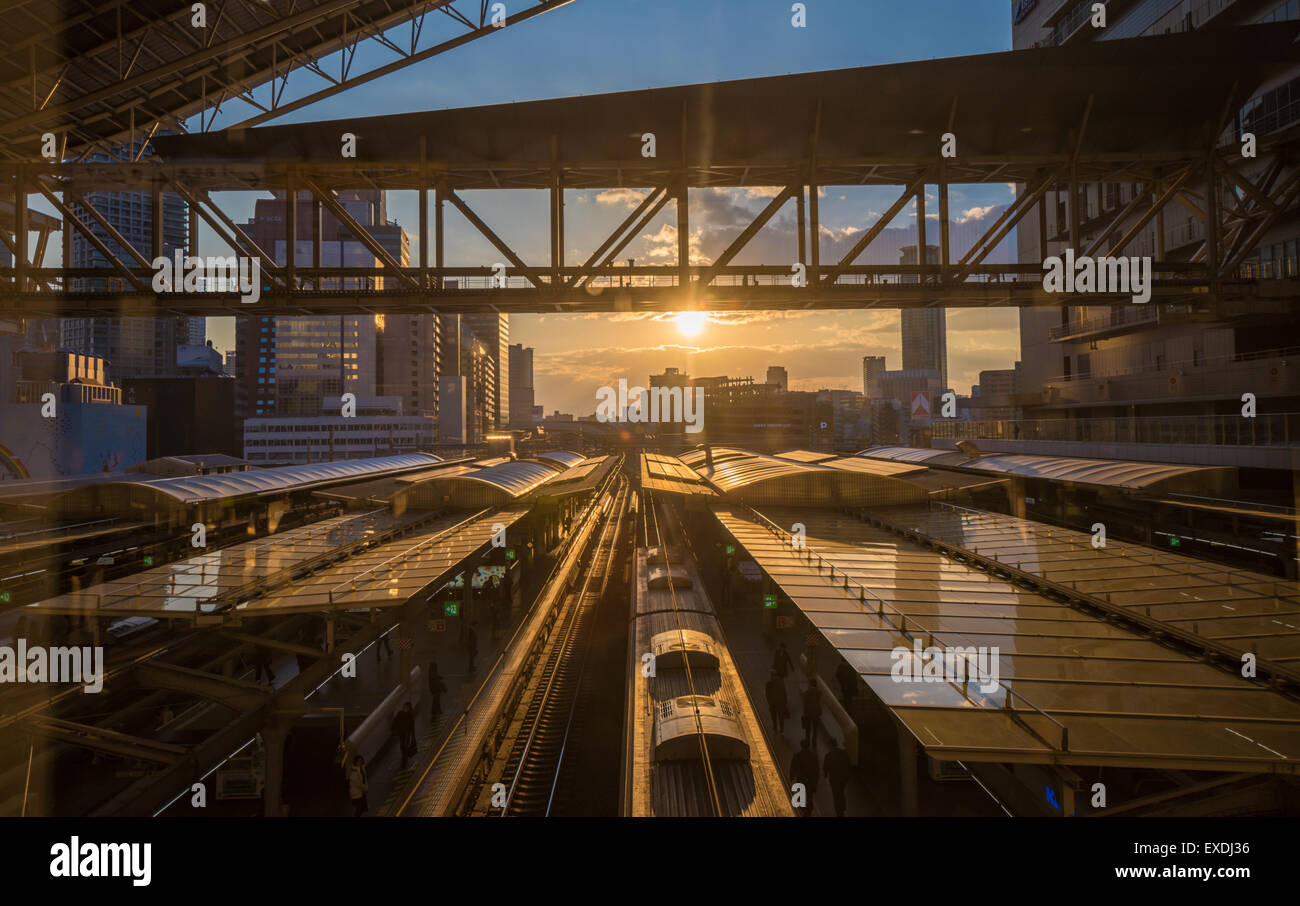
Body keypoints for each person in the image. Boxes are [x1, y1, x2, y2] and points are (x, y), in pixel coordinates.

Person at [823, 737, 852, 818]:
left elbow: (825, 768)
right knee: (841, 792)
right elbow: (848, 764)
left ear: (831, 745)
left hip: (834, 779)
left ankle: (839, 811)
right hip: (843, 778)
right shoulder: (843, 753)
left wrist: (825, 775)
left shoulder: (828, 755)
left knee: (836, 795)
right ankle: (843, 808)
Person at [789, 739, 819, 817]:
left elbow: (793, 767)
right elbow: (817, 770)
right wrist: (816, 781)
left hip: (801, 779)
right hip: (810, 780)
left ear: (801, 746)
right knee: (809, 796)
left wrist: (791, 776)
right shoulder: (813, 756)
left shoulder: (798, 755)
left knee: (801, 796)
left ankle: (803, 810)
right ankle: (808, 811)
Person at [392, 702, 416, 767]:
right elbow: (395, 720)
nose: (405, 708)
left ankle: (404, 758)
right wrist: (393, 728)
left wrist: (413, 735)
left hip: (407, 733)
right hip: (401, 732)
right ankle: (406, 755)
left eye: (406, 707)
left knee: (405, 745)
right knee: (402, 745)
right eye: (404, 707)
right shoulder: (400, 713)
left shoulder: (410, 715)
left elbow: (412, 726)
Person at [764, 669, 789, 734]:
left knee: (774, 716)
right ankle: (781, 729)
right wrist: (785, 702)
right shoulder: (781, 682)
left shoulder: (769, 684)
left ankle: (775, 727)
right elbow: (784, 693)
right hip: (781, 702)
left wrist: (769, 702)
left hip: (773, 703)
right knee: (780, 716)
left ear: (771, 676)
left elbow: (767, 694)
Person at [801, 678, 822, 749]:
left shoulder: (806, 693)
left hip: (808, 713)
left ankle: (807, 741)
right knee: (815, 728)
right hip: (816, 713)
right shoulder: (819, 692)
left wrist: (804, 712)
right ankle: (814, 743)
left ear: (810, 684)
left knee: (808, 728)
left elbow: (804, 704)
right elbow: (819, 702)